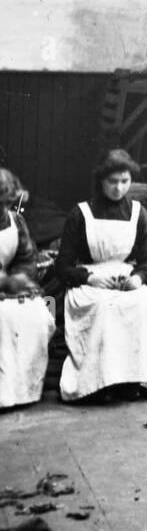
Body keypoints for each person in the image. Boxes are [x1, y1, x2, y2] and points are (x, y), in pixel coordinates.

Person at [54, 150, 147, 402]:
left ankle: (131, 380)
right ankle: (98, 383)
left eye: (124, 181)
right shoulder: (80, 213)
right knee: (104, 307)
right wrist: (88, 277)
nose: (119, 188)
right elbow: (62, 266)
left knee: (139, 304)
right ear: (101, 181)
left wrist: (137, 278)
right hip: (89, 279)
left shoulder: (138, 212)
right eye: (112, 182)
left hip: (125, 277)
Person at [0, 169, 53, 409]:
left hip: (9, 286)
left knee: (37, 314)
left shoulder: (15, 221)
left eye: (5, 202)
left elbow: (26, 259)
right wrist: (6, 285)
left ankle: (23, 391)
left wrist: (22, 280)